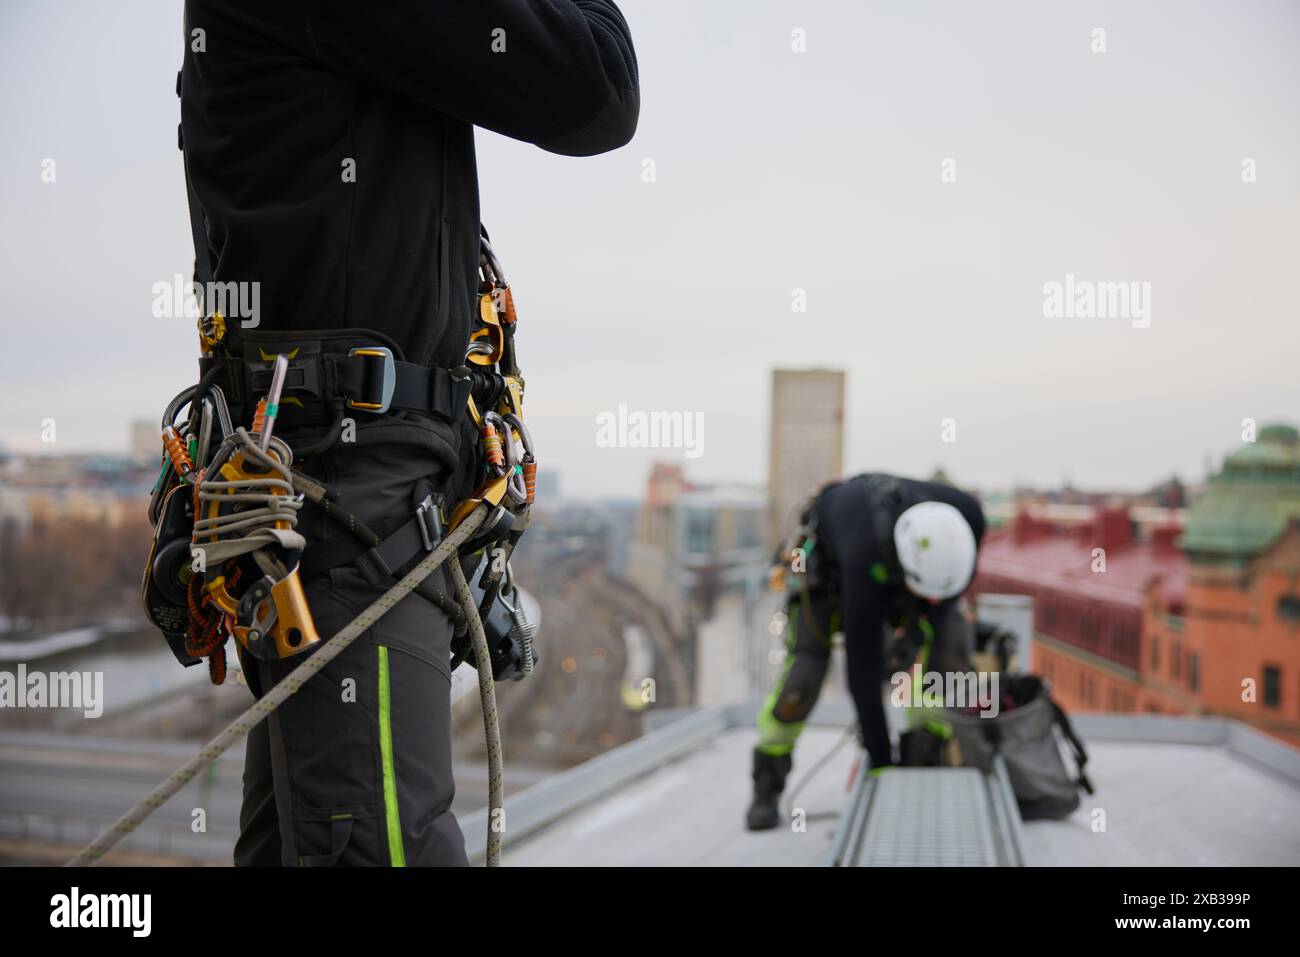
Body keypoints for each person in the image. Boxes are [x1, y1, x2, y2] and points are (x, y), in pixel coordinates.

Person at [177, 0, 638, 866]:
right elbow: (596, 87)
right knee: (384, 846)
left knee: (307, 841)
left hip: (341, 491)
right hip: (352, 496)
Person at [747, 472, 986, 831]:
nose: (934, 603)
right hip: (831, 571)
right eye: (928, 596)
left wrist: (927, 617)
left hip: (905, 569)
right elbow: (862, 668)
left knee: (948, 657)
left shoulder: (969, 517)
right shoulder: (863, 556)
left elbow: (942, 600)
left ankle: (924, 758)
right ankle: (767, 784)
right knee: (804, 677)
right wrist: (880, 761)